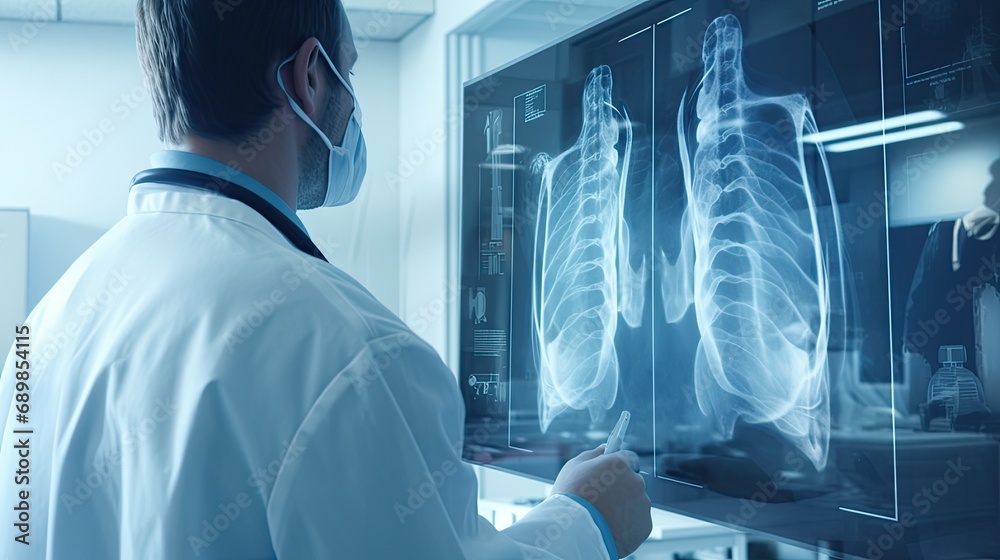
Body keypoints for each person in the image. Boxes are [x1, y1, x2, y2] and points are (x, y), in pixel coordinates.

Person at [0, 0, 652, 558]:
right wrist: (585, 521)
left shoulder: (44, 327)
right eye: (350, 72)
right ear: (310, 78)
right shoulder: (347, 353)